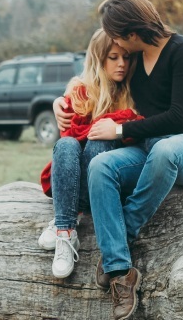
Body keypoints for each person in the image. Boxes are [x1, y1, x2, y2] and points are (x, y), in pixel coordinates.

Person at [55, 0, 183, 320]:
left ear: (131, 33)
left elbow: (178, 118)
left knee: (165, 149)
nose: (115, 44)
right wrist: (59, 102)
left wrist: (117, 131)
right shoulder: (134, 59)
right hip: (146, 149)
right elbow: (95, 81)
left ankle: (121, 236)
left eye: (116, 35)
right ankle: (121, 272)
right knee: (100, 166)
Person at [37, 28, 142, 279]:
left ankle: (66, 218)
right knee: (66, 145)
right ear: (98, 58)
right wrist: (59, 103)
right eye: (114, 57)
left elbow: (138, 128)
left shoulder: (133, 91)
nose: (122, 64)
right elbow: (69, 135)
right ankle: (66, 232)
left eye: (126, 58)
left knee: (97, 143)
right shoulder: (80, 91)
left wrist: (113, 127)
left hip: (105, 183)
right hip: (74, 176)